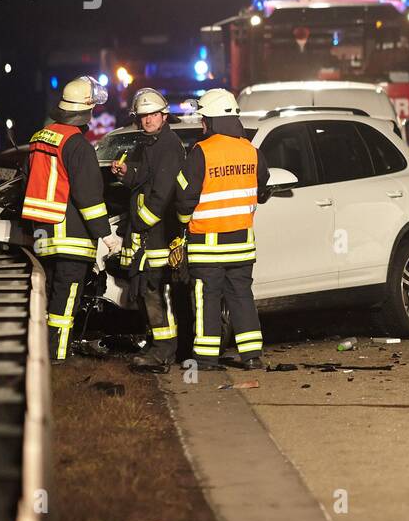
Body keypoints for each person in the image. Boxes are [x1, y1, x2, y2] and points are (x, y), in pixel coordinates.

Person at [21, 76, 121, 363]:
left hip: (42, 233)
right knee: (65, 301)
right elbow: (88, 197)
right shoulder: (78, 145)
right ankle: (56, 357)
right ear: (86, 110)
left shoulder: (40, 138)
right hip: (71, 237)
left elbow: (29, 183)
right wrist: (107, 235)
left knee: (49, 294)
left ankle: (40, 351)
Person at [175, 89, 270, 371]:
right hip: (242, 244)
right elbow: (262, 187)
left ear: (213, 121)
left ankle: (205, 358)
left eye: (204, 119)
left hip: (208, 245)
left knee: (207, 300)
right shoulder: (251, 151)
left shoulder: (201, 152)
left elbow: (184, 198)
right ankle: (252, 356)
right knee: (242, 297)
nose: (202, 125)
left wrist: (182, 225)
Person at [112, 88, 186, 370]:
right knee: (146, 290)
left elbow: (162, 194)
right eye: (143, 116)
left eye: (152, 115)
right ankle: (158, 343)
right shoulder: (151, 144)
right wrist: (127, 174)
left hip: (157, 232)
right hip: (146, 233)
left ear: (164, 116)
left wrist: (141, 222)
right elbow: (144, 181)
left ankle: (164, 350)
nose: (147, 120)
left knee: (156, 290)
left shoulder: (168, 145)